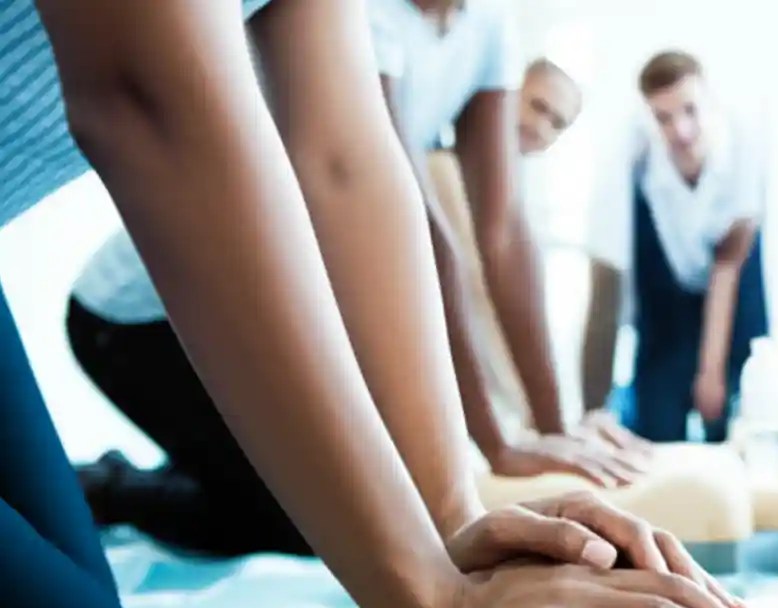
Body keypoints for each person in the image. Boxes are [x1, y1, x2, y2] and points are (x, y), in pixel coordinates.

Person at [2, 1, 756, 608]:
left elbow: (345, 161)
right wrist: (429, 604)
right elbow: (145, 102)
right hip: (137, 313)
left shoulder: (477, 33)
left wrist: (452, 519)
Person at [67, 9, 625, 556]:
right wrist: (496, 446)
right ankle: (102, 487)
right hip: (142, 318)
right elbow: (411, 230)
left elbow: (503, 232)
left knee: (326, 501)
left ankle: (193, 471)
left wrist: (557, 430)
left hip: (255, 317)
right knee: (308, 522)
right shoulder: (364, 15)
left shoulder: (487, 28)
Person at [582, 50, 769, 444]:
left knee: (732, 416)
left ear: (709, 100)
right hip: (666, 304)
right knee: (657, 423)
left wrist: (711, 372)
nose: (680, 130)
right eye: (664, 118)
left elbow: (727, 266)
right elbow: (606, 278)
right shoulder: (632, 155)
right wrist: (590, 411)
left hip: (731, 295)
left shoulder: (744, 142)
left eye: (690, 111)